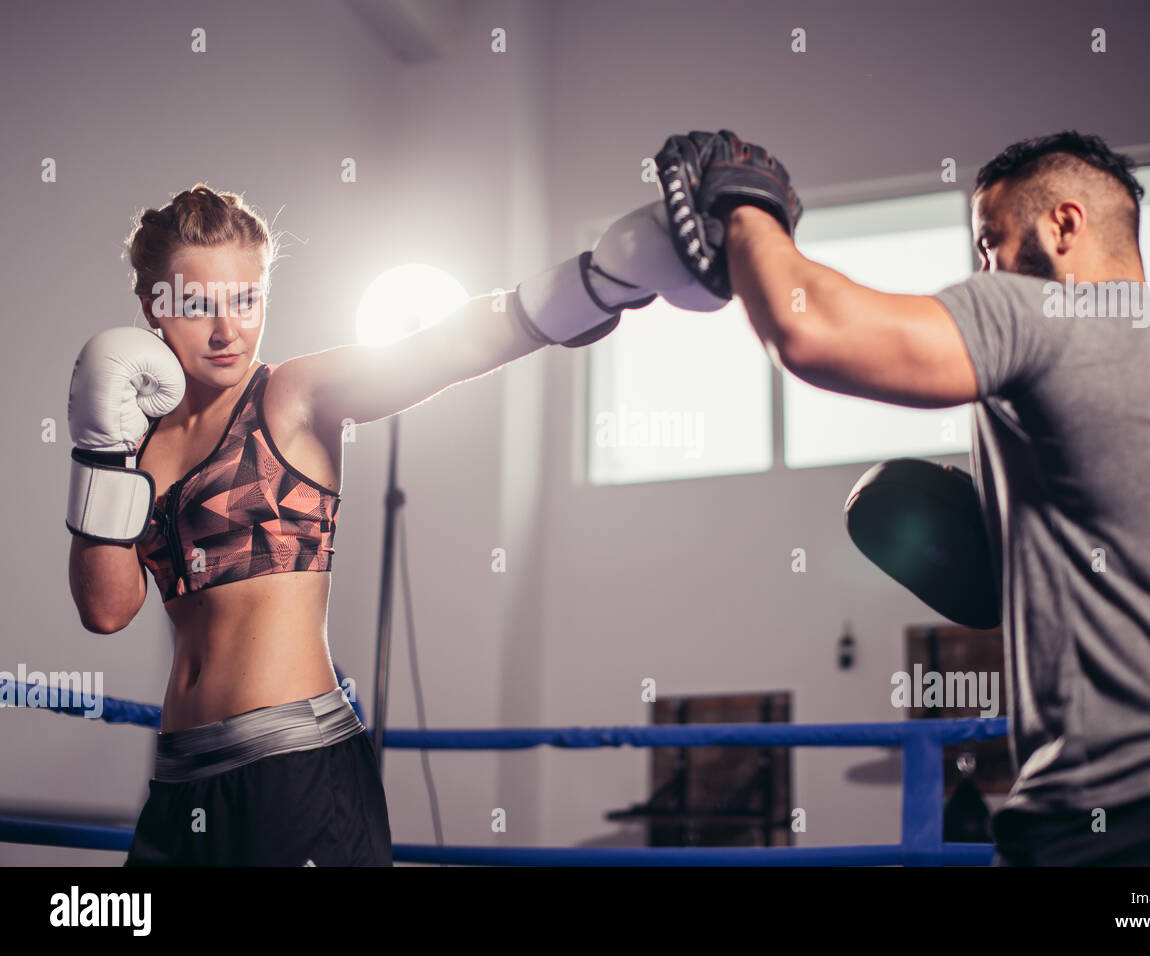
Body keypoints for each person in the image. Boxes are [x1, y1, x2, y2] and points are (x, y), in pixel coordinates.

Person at [657, 129, 1150, 865]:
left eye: (990, 243)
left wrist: (745, 209)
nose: (985, 269)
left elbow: (813, 330)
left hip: (1127, 817)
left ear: (1064, 225)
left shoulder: (1048, 320)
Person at [66, 184, 722, 866]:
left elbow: (441, 347)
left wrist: (601, 281)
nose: (228, 330)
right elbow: (107, 609)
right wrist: (97, 452)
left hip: (294, 770)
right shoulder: (137, 441)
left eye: (246, 299)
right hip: (180, 780)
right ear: (152, 306)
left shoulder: (290, 396)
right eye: (199, 305)